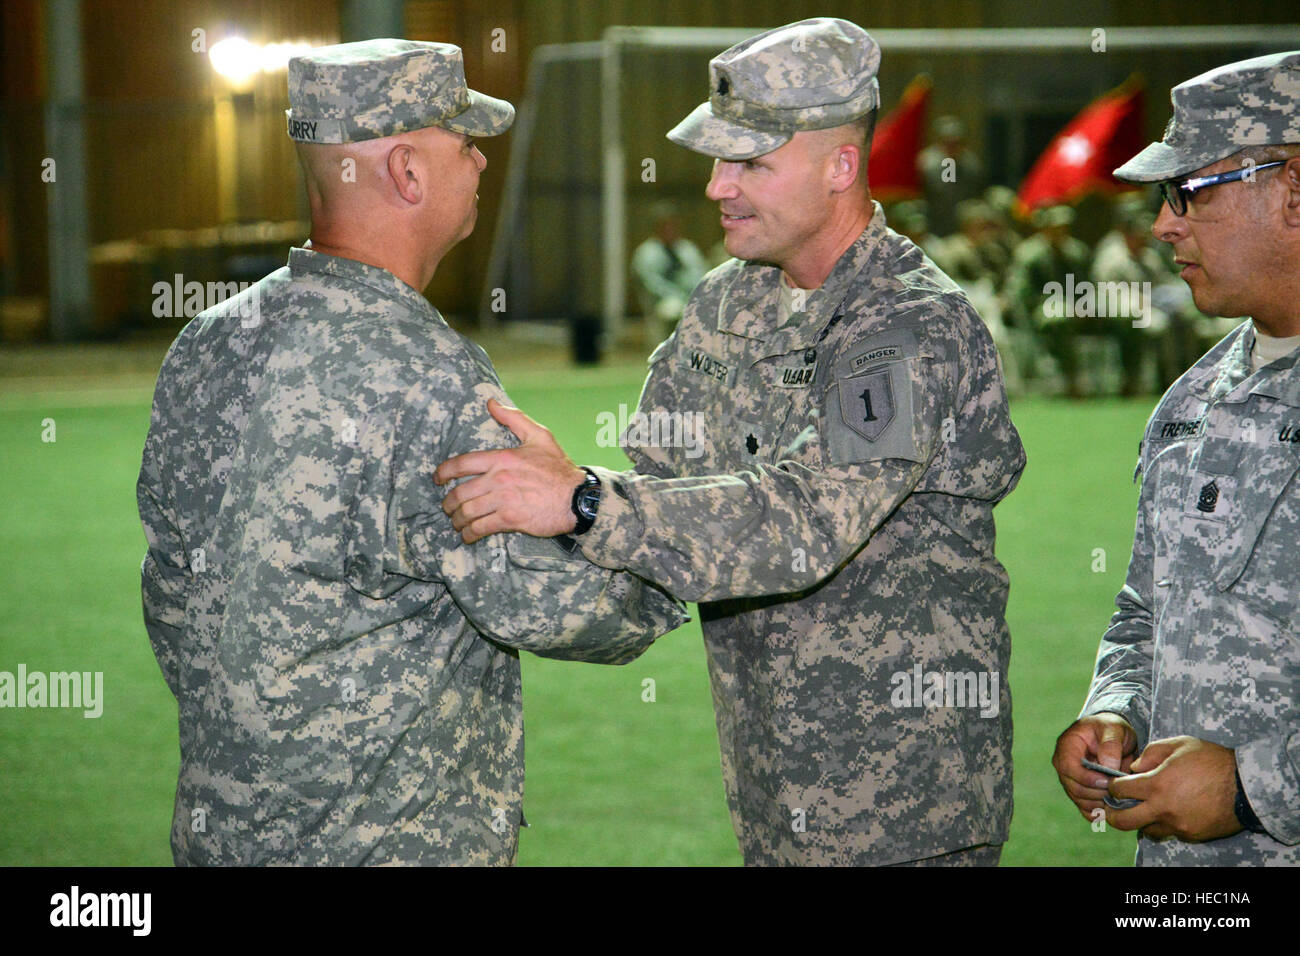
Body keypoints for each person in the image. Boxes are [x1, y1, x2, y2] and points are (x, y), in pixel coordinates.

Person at [436, 18, 1025, 866]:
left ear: (840, 167)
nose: (717, 187)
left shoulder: (904, 324)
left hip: (905, 810)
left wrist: (583, 498)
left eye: (750, 162)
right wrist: (486, 558)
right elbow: (658, 513)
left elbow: (803, 523)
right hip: (770, 792)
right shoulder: (726, 304)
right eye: (718, 160)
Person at [136, 38, 685, 867]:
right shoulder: (427, 374)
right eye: (463, 142)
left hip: (227, 831)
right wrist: (650, 525)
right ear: (406, 172)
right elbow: (559, 608)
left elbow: (171, 596)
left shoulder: (210, 340)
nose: (479, 163)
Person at [1052, 50, 1300, 865]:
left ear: (1292, 188)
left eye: (1188, 191)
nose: (1163, 224)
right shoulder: (1192, 400)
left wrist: (1252, 788)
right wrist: (1119, 709)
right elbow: (1147, 606)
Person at [630, 200, 710, 345]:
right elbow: (652, 284)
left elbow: (700, 274)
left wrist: (694, 296)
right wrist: (678, 296)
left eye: (673, 225)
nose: (670, 229)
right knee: (672, 310)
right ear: (657, 228)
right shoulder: (647, 252)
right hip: (664, 301)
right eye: (666, 225)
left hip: (691, 297)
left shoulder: (687, 249)